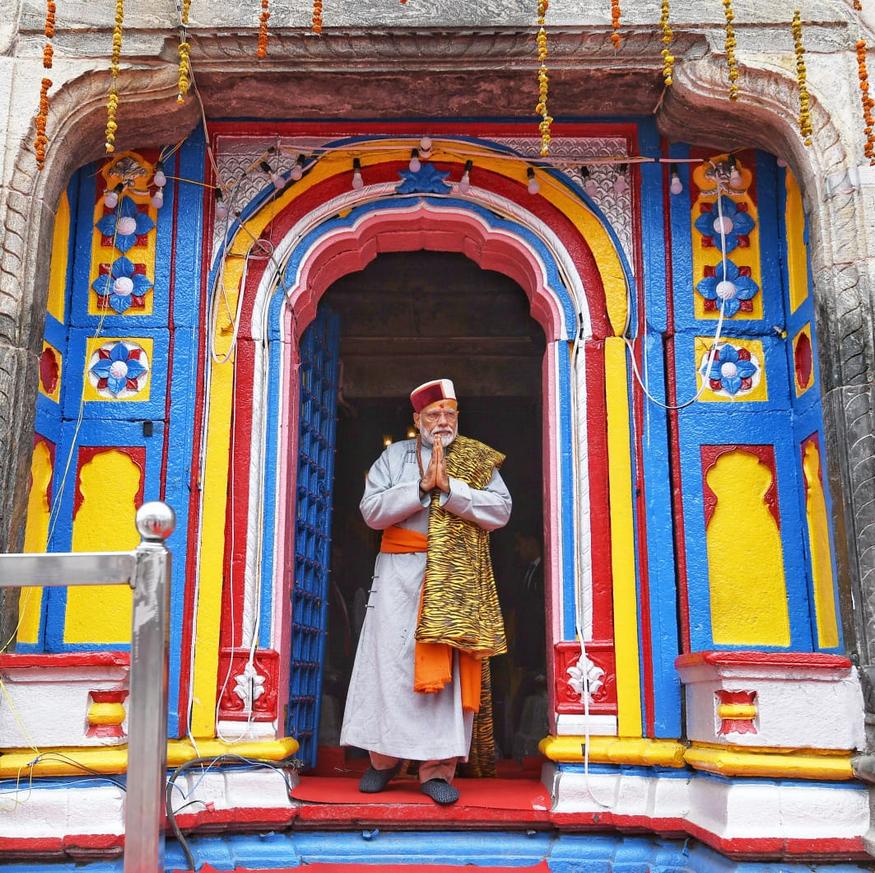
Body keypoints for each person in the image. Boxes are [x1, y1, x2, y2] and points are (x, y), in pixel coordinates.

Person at [339, 378, 512, 805]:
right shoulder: (394, 457)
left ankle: (437, 769)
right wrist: (419, 489)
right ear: (416, 420)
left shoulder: (476, 457)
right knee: (390, 670)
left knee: (444, 677)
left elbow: (502, 510)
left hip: (454, 582)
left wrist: (451, 490)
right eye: (433, 415)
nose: (442, 422)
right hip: (398, 579)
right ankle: (383, 762)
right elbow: (371, 511)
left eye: (449, 414)